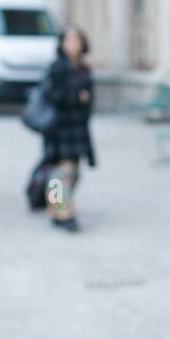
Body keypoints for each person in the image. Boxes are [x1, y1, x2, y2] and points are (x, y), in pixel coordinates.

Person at [39, 27, 96, 232]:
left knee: (74, 172)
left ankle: (55, 209)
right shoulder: (57, 67)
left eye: (76, 40)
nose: (72, 45)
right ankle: (63, 212)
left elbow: (89, 98)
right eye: (68, 40)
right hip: (59, 127)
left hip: (78, 128)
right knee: (62, 172)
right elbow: (51, 95)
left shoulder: (84, 68)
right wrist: (76, 97)